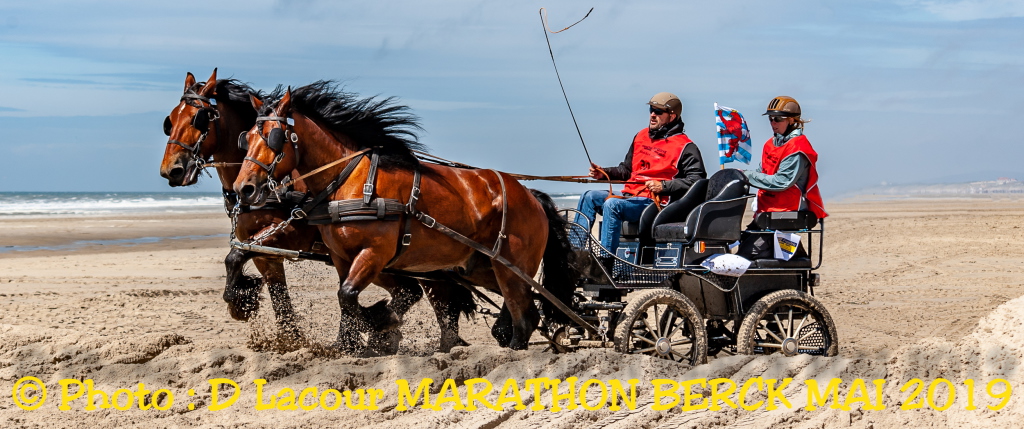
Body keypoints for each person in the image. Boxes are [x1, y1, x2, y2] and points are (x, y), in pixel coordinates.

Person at [575, 92, 707, 254]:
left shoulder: (686, 147)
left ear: (672, 117)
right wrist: (603, 173)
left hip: (656, 203)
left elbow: (697, 180)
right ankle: (574, 252)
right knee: (589, 196)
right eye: (651, 110)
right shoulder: (641, 136)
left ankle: (606, 260)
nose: (652, 114)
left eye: (658, 112)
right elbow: (626, 170)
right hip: (630, 196)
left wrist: (663, 186)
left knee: (612, 205)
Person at [737, 96, 828, 259]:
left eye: (778, 119)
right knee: (744, 243)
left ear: (792, 120)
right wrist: (740, 177)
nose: (773, 123)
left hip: (786, 212)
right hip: (767, 211)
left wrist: (748, 176)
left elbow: (782, 182)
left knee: (748, 255)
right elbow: (762, 171)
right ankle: (797, 262)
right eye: (771, 119)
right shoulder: (770, 144)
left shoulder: (797, 148)